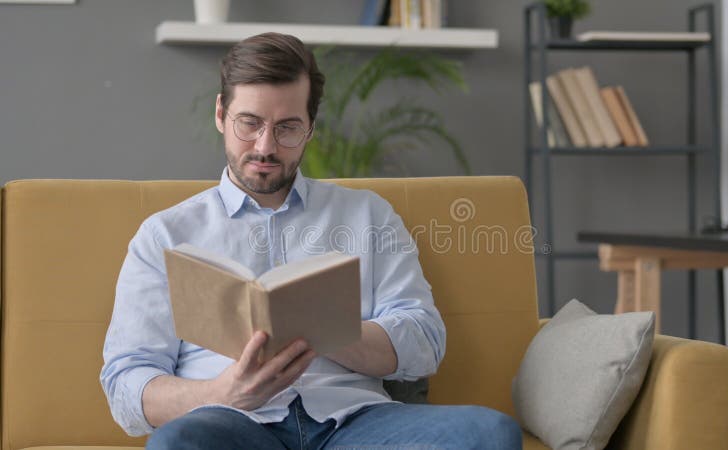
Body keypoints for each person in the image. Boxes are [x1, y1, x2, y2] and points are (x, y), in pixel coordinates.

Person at [100, 32, 521, 450]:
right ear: (220, 114)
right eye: (249, 123)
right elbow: (126, 385)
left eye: (287, 128)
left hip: (357, 424)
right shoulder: (165, 235)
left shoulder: (367, 215)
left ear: (310, 129)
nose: (265, 146)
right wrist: (221, 393)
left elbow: (424, 341)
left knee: (489, 433)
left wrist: (329, 330)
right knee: (178, 444)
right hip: (232, 425)